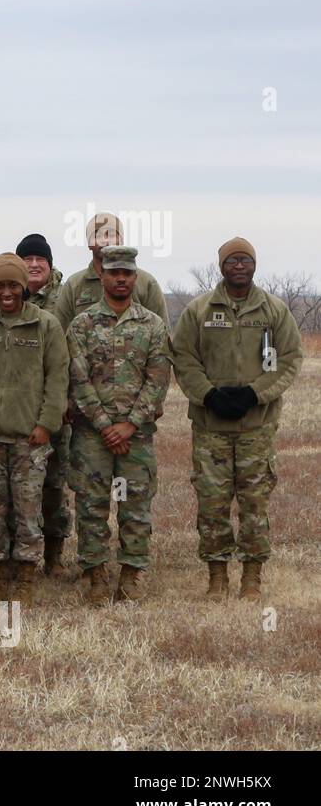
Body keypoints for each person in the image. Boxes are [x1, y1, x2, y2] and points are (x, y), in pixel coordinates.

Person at [170, 237, 302, 601]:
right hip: (211, 426)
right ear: (221, 266)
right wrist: (208, 394)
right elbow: (184, 358)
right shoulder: (200, 310)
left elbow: (289, 358)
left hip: (256, 427)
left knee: (254, 503)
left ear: (254, 265)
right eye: (232, 261)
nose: (239, 266)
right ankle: (216, 577)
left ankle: (252, 578)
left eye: (245, 260)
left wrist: (254, 393)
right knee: (212, 503)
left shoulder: (273, 311)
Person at [0, 254, 68, 602]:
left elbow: (57, 377)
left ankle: (25, 577)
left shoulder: (45, 325)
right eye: (0, 285)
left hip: (29, 439)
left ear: (23, 287)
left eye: (13, 285)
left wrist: (47, 423)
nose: (7, 292)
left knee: (27, 510)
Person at [66, 246, 171, 605]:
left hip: (136, 436)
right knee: (92, 505)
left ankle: (131, 574)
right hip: (92, 437)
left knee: (135, 506)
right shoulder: (81, 325)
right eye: (114, 273)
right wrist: (104, 425)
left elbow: (157, 380)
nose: (121, 279)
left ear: (135, 278)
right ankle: (95, 574)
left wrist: (130, 424)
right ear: (103, 278)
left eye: (127, 273)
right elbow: (77, 379)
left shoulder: (152, 325)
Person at [19, 232, 72, 576]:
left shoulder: (65, 299)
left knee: (54, 483)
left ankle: (54, 556)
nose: (34, 264)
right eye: (28, 259)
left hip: (56, 406)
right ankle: (19, 556)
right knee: (18, 485)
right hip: (17, 408)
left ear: (50, 265)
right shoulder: (6, 295)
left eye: (41, 259)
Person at [55, 212, 168, 334]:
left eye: (112, 234)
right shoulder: (74, 285)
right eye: (98, 235)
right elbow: (60, 335)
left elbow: (162, 333)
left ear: (121, 240)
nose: (106, 240)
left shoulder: (146, 283)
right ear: (89, 243)